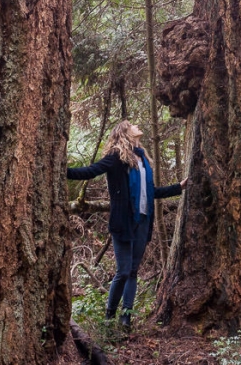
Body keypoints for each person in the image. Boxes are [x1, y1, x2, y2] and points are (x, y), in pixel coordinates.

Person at [67, 120, 186, 328]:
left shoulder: (142, 159)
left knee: (133, 271)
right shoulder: (115, 157)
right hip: (123, 222)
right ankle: (109, 316)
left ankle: (126, 317)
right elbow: (91, 171)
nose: (136, 125)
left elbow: (151, 192)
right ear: (123, 133)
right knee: (123, 271)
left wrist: (178, 187)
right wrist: (64, 170)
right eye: (131, 124)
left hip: (142, 221)